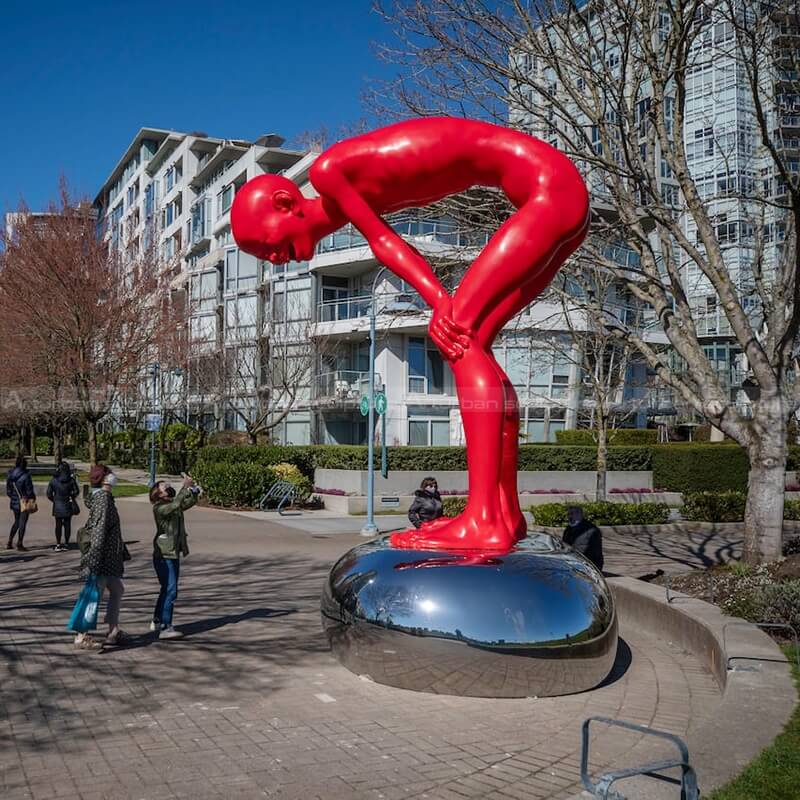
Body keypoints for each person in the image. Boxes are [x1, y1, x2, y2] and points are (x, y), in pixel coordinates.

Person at [232, 117, 589, 551]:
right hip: (561, 195)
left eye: (265, 244)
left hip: (548, 191)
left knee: (459, 334)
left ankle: (482, 520)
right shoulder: (341, 193)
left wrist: (439, 299)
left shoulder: (330, 171)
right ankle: (504, 513)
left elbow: (385, 244)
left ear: (285, 202)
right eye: (261, 255)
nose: (273, 259)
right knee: (478, 345)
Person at [74, 465, 127, 651]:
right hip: (102, 559)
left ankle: (113, 631)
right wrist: (93, 561)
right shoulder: (103, 499)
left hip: (110, 559)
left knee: (117, 589)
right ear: (104, 479)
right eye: (110, 473)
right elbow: (99, 530)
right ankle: (82, 635)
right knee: (92, 595)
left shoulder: (103, 497)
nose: (114, 476)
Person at [149, 473, 200, 639]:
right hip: (164, 554)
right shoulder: (159, 508)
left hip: (173, 552)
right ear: (158, 494)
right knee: (171, 590)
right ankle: (165, 627)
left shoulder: (172, 504)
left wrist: (192, 489)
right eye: (166, 487)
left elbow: (186, 503)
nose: (169, 487)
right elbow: (178, 503)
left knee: (167, 589)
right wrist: (184, 487)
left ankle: (157, 620)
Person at [46, 461, 80, 551]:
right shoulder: (71, 480)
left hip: (57, 503)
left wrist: (54, 500)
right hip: (67, 502)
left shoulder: (53, 480)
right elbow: (76, 491)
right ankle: (67, 543)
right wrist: (71, 496)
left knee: (58, 524)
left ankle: (58, 544)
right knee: (67, 524)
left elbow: (49, 494)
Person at [6, 454, 35, 551]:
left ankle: (10, 541)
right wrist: (31, 498)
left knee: (17, 521)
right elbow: (29, 490)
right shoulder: (26, 475)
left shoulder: (10, 474)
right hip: (24, 500)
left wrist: (13, 497)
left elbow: (8, 491)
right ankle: (19, 543)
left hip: (15, 500)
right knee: (22, 522)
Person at [562, 506, 604, 572]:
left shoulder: (590, 530)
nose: (569, 516)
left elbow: (583, 551)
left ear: (580, 515)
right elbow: (564, 546)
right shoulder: (568, 529)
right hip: (574, 562)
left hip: (589, 566)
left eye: (572, 514)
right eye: (568, 514)